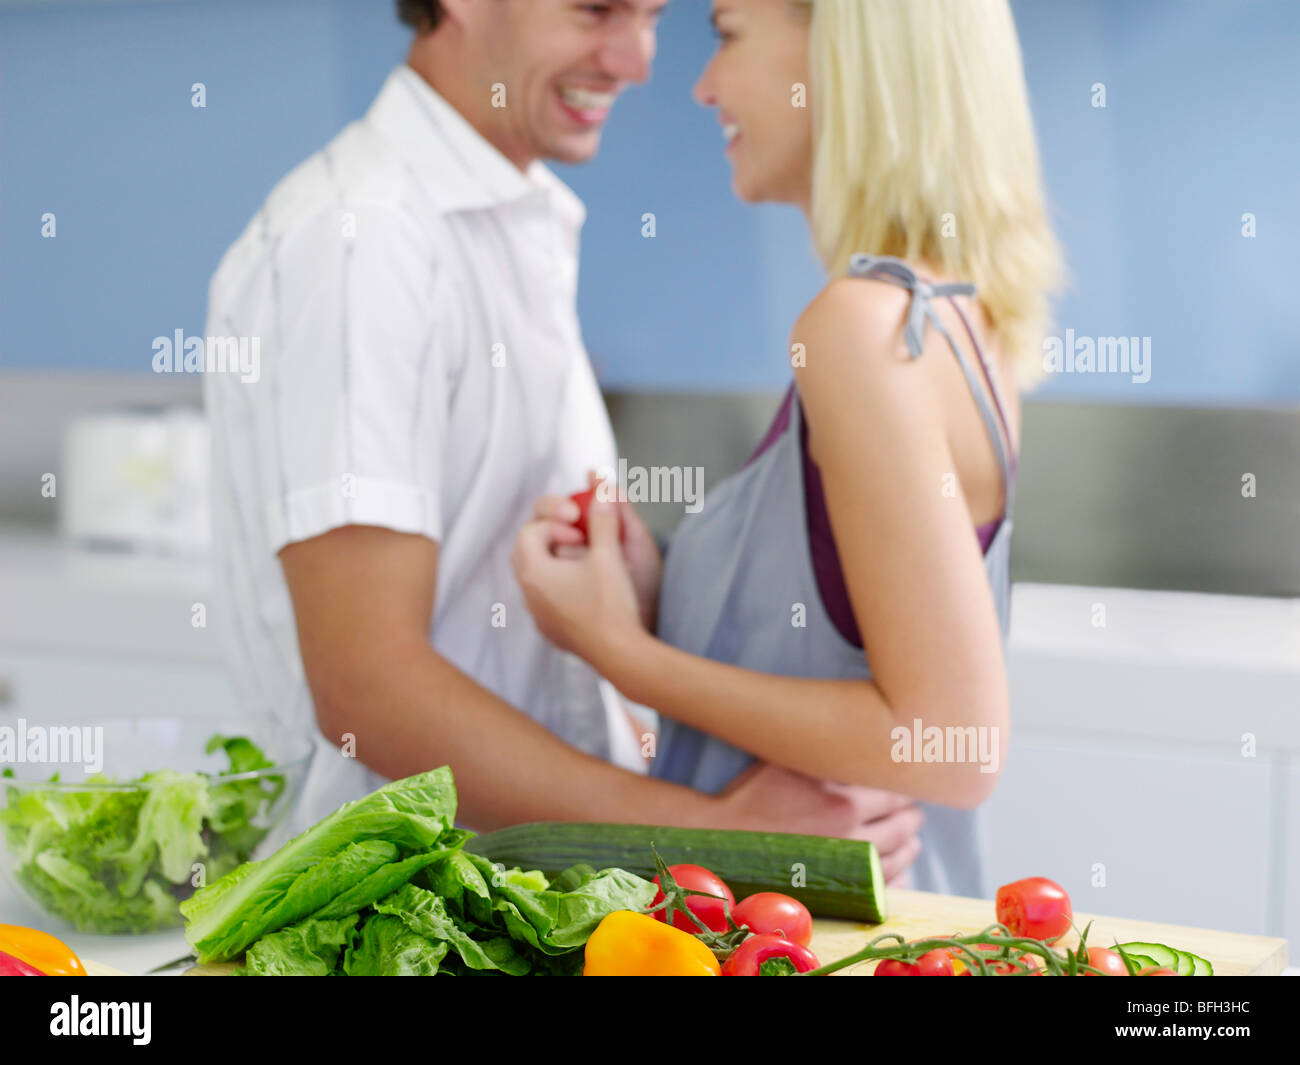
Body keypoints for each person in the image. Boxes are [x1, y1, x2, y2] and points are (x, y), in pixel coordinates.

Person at [203, 0, 925, 877]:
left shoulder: (513, 217)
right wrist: (716, 837)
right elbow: (369, 684)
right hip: (401, 914)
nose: (638, 60)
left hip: (522, 898)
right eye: (596, 11)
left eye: (653, 15)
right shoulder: (364, 239)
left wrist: (637, 598)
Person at [513, 0, 1062, 897]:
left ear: (844, 54)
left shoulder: (860, 331)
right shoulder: (960, 316)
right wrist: (669, 594)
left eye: (726, 35)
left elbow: (952, 743)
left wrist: (621, 651)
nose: (701, 84)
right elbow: (849, 635)